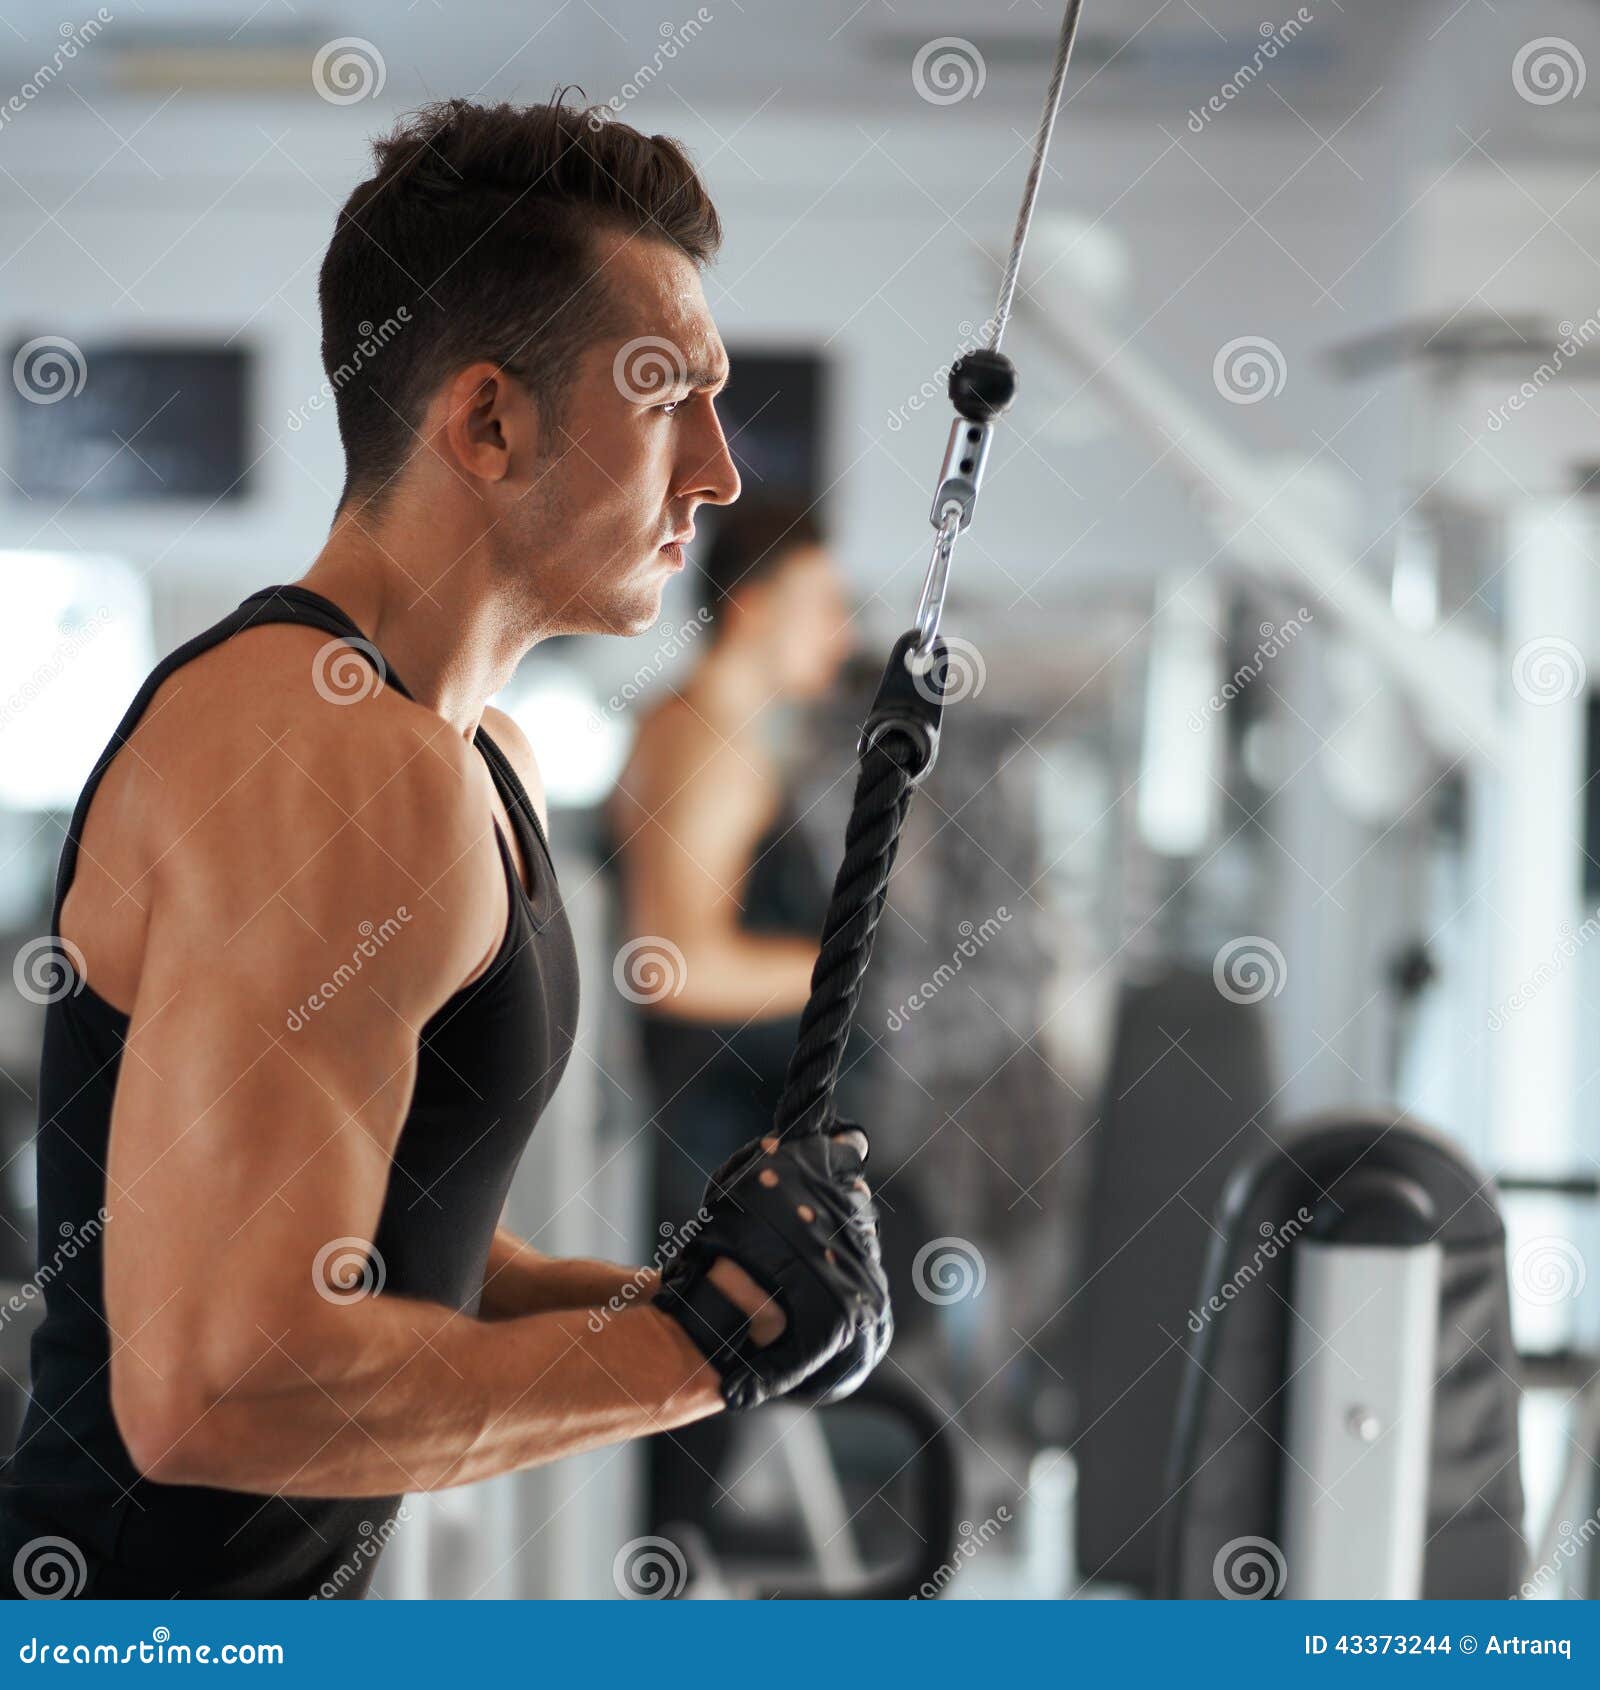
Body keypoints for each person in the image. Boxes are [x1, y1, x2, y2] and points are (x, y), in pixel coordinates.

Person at [0, 97, 888, 1600]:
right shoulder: (314, 747)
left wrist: (716, 1304)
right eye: (672, 396)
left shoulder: (477, 762)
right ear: (487, 420)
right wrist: (690, 1360)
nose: (720, 471)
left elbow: (414, 1250)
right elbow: (220, 1387)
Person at [607, 500, 855, 1534]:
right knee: (683, 1448)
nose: (838, 634)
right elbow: (670, 964)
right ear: (752, 608)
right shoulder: (707, 743)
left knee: (696, 1436)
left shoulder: (703, 728)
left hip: (717, 1130)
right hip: (704, 1138)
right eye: (821, 606)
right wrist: (836, 973)